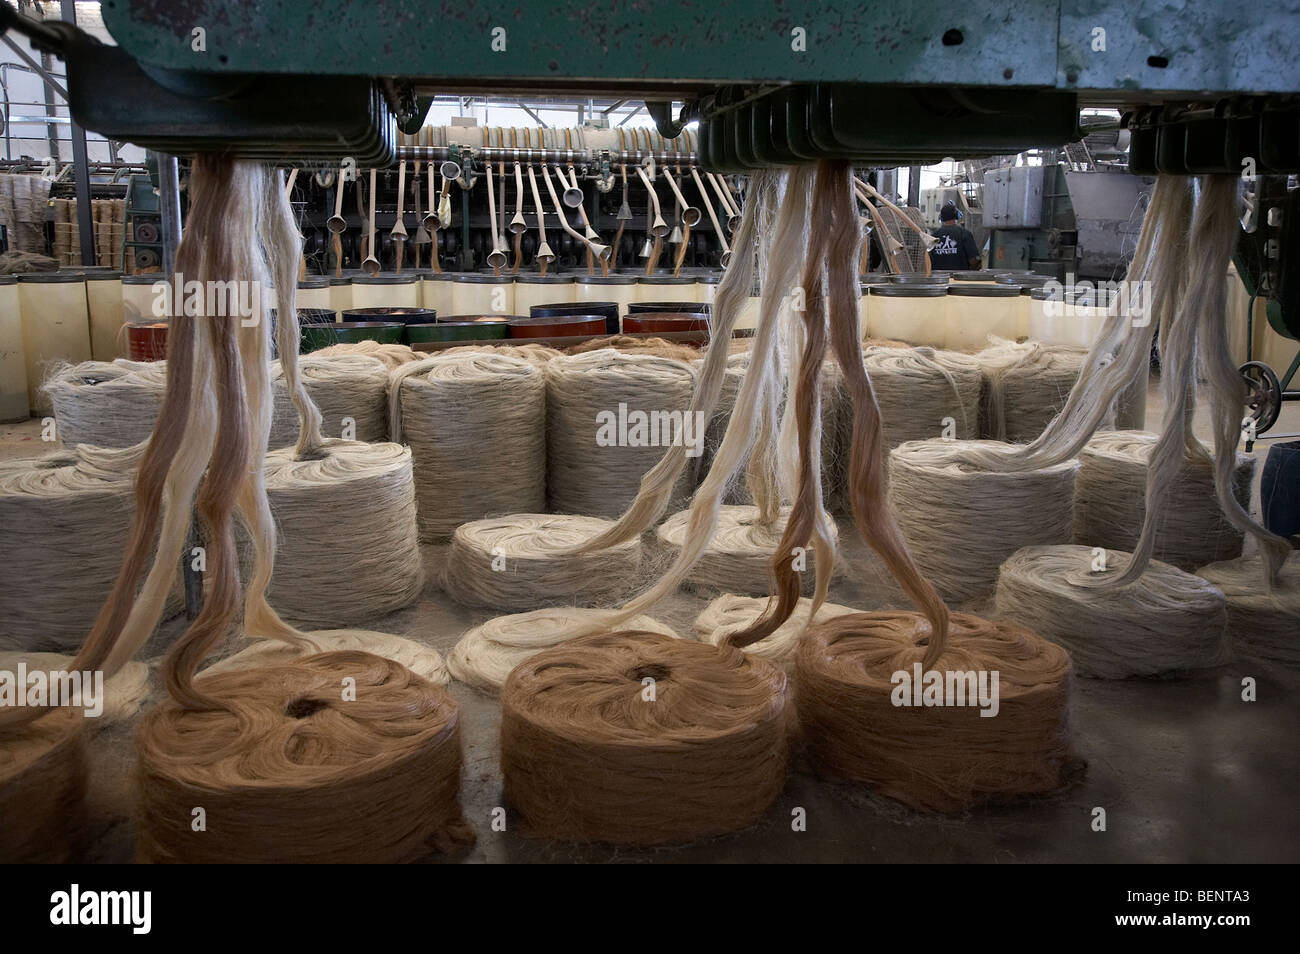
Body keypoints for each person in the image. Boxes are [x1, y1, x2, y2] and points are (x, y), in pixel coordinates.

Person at [929, 203, 981, 271]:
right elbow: (974, 260)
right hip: (960, 279)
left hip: (939, 279)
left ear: (941, 217)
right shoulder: (965, 234)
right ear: (956, 216)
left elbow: (928, 259)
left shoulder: (933, 237)